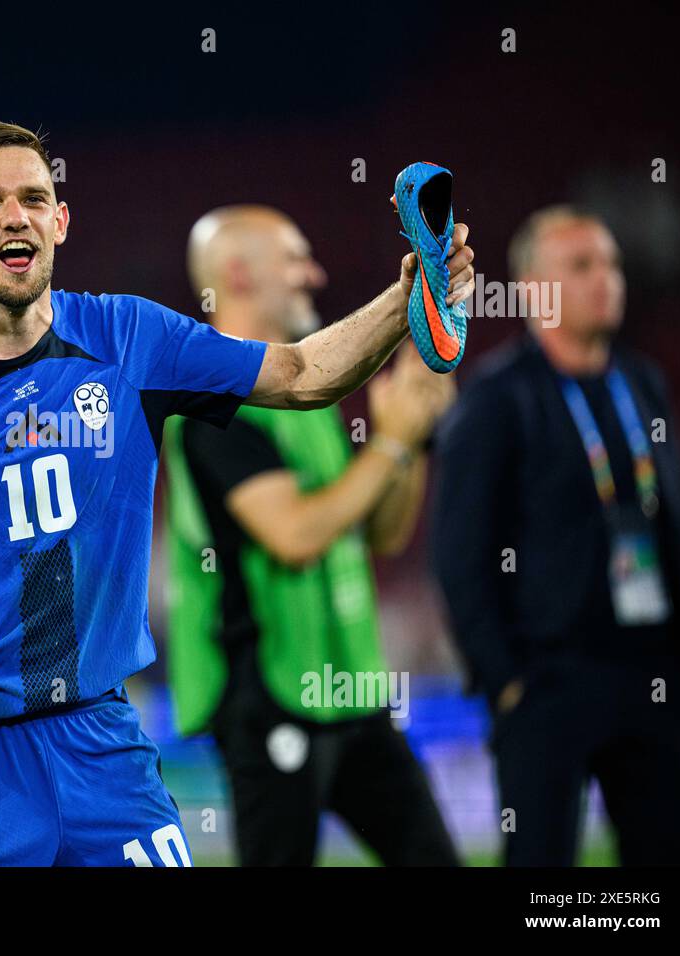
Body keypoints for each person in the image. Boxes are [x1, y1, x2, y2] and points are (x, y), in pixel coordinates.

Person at [0, 122, 476, 866]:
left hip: (102, 744)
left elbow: (299, 372)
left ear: (61, 220)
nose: (14, 215)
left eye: (33, 197)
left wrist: (406, 297)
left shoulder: (130, 337)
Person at [164, 205, 460, 865]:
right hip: (271, 695)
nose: (315, 273)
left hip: (351, 686)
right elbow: (295, 534)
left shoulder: (309, 400)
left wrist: (407, 444)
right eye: (296, 258)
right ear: (238, 274)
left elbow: (378, 534)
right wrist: (387, 444)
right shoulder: (211, 401)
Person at [432, 206, 680, 866]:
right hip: (550, 680)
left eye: (610, 263)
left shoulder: (640, 382)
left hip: (655, 676)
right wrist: (506, 681)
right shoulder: (496, 398)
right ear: (532, 288)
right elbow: (459, 553)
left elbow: (671, 521)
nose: (605, 279)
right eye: (581, 266)